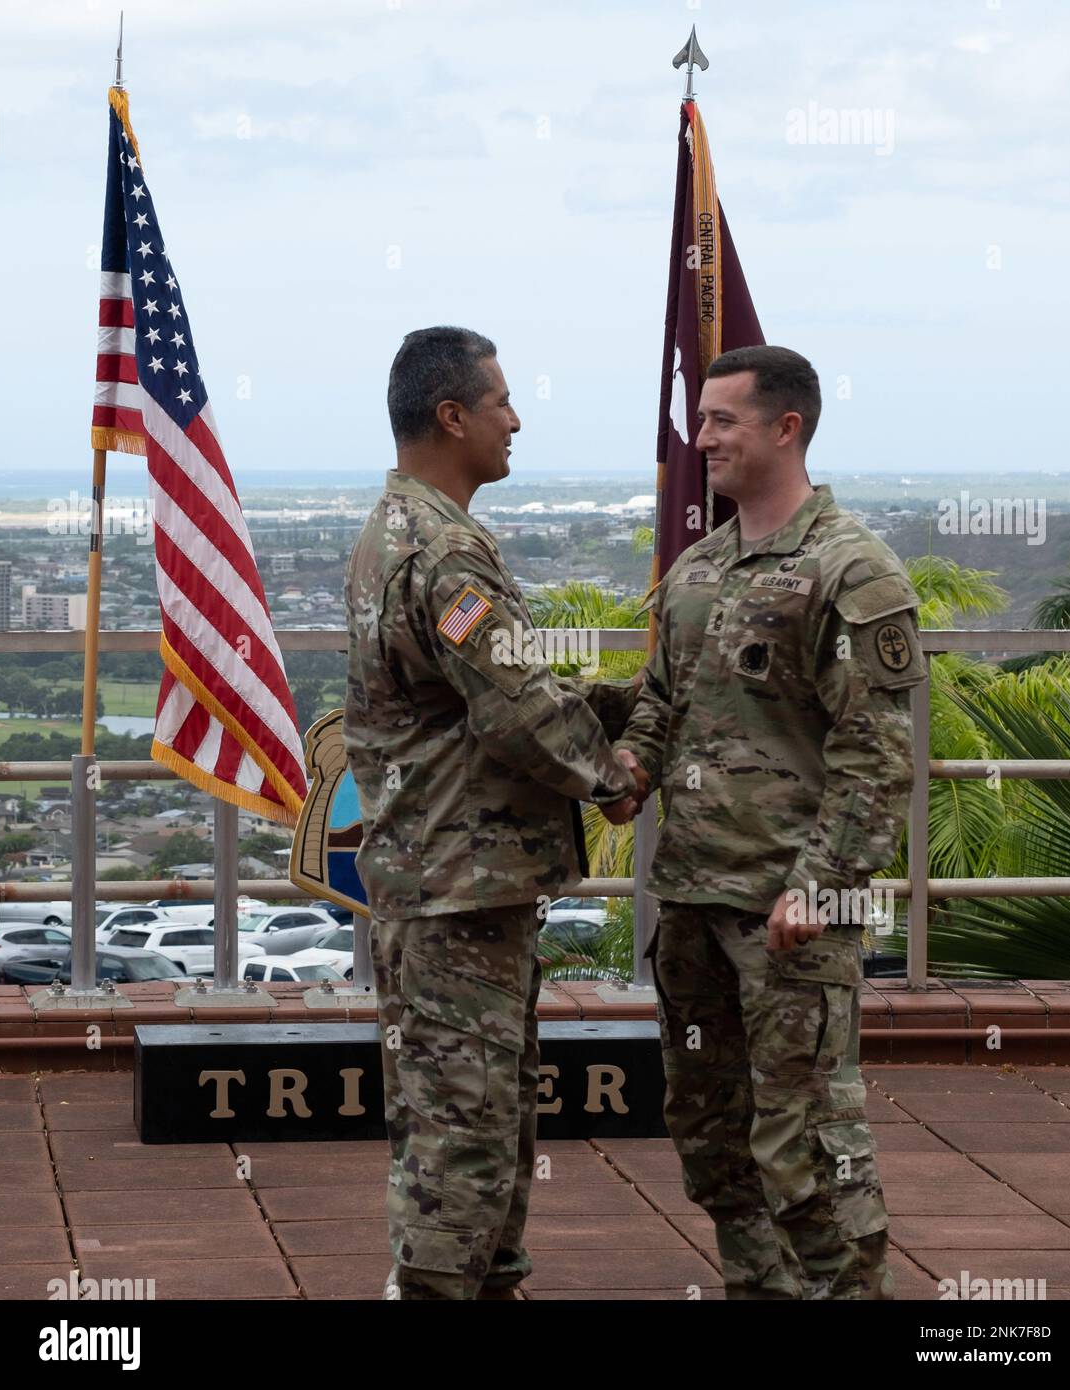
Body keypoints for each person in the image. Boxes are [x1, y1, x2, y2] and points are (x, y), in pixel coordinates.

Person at [615, 344, 927, 1300]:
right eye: (699, 418)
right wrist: (627, 769)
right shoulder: (700, 567)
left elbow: (878, 752)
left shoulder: (853, 570)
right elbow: (661, 704)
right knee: (711, 1139)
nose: (699, 436)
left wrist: (823, 882)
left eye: (721, 421)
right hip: (695, 900)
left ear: (785, 428)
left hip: (790, 910)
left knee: (807, 1147)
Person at [342, 326, 643, 1301]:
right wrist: (612, 772)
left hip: (457, 880)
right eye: (502, 401)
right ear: (452, 415)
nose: (516, 418)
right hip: (455, 888)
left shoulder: (403, 529)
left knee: (493, 1108)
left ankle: (491, 1283)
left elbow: (484, 698)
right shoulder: (441, 548)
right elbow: (514, 712)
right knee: (460, 1133)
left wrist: (599, 707)